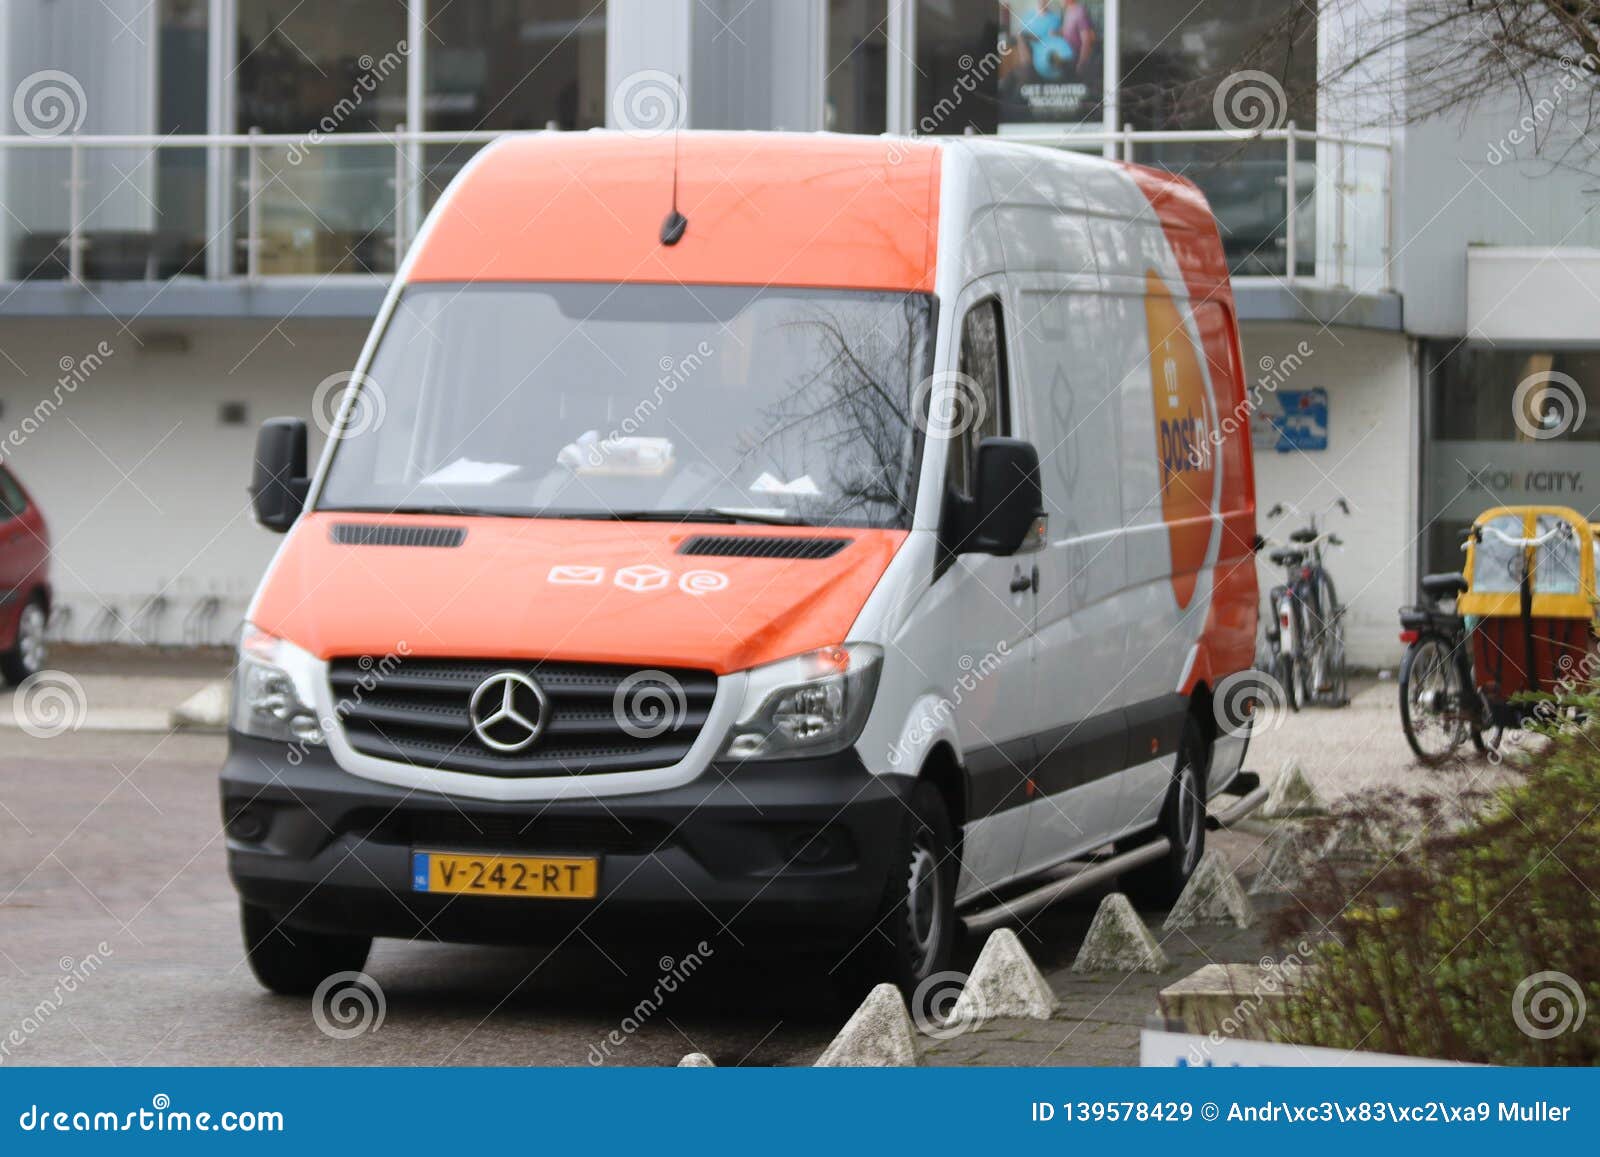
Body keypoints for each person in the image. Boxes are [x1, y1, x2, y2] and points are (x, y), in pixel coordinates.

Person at [1019, 0, 1074, 81]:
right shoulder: (1028, 18)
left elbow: (1062, 38)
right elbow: (1021, 36)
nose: (1043, 1)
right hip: (1035, 56)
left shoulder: (1055, 19)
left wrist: (1058, 32)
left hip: (1053, 55)